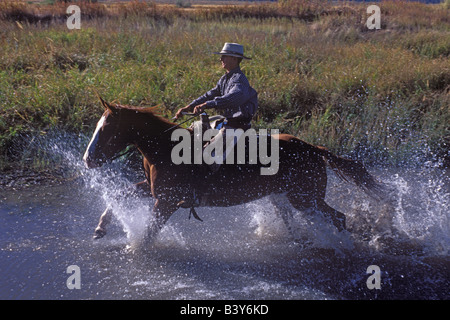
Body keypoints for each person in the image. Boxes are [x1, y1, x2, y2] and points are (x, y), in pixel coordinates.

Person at [175, 42, 258, 171]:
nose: (221, 59)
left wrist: (207, 105)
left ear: (234, 59)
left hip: (236, 127)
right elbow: (210, 94)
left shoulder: (239, 80)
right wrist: (190, 106)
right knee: (193, 131)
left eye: (224, 56)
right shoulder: (225, 79)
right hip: (227, 122)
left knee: (206, 155)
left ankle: (211, 184)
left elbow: (233, 98)